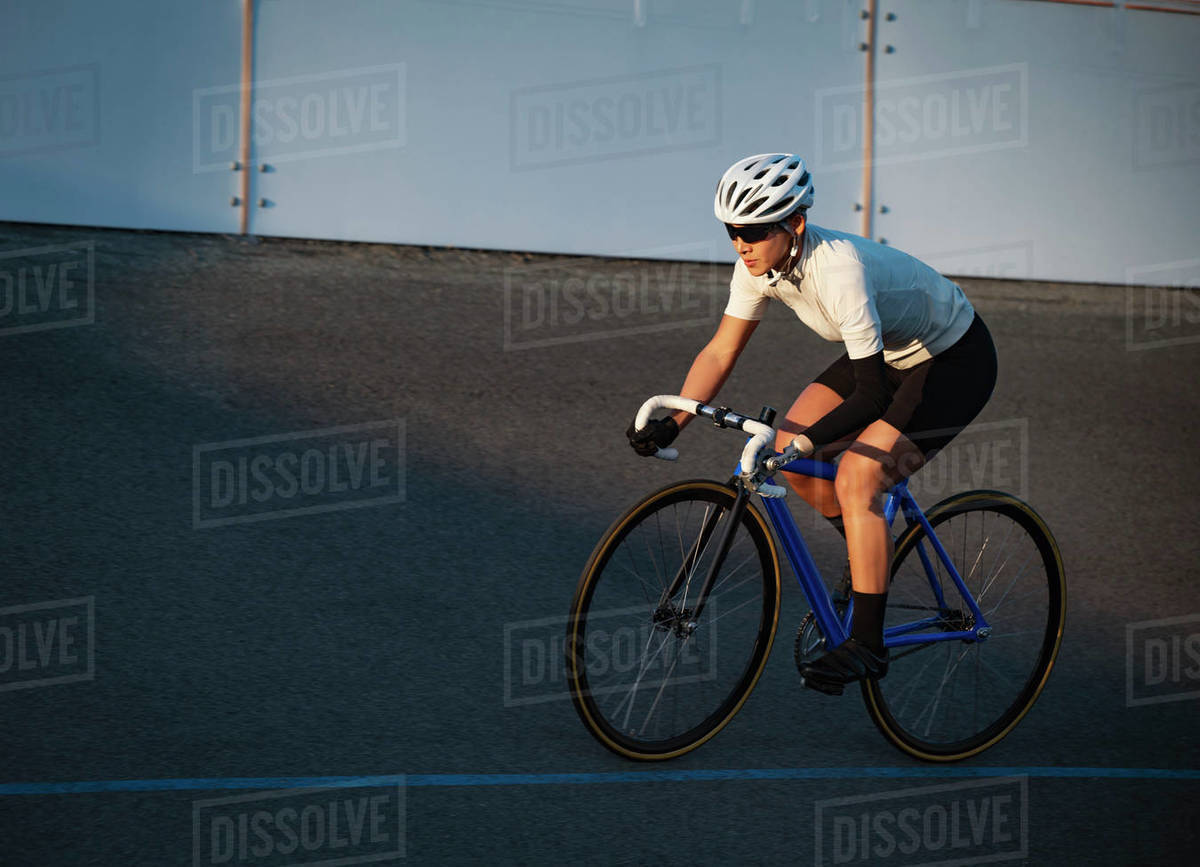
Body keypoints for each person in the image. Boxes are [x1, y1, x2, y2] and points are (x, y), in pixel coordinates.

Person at [626, 153, 998, 695]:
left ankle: (867, 645)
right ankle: (868, 550)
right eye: (732, 231)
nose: (741, 244)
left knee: (857, 478)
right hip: (884, 348)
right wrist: (676, 423)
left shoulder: (839, 269)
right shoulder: (758, 266)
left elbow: (871, 395)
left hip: (950, 360)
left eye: (752, 231)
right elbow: (721, 350)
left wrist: (804, 441)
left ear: (795, 223)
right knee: (792, 463)